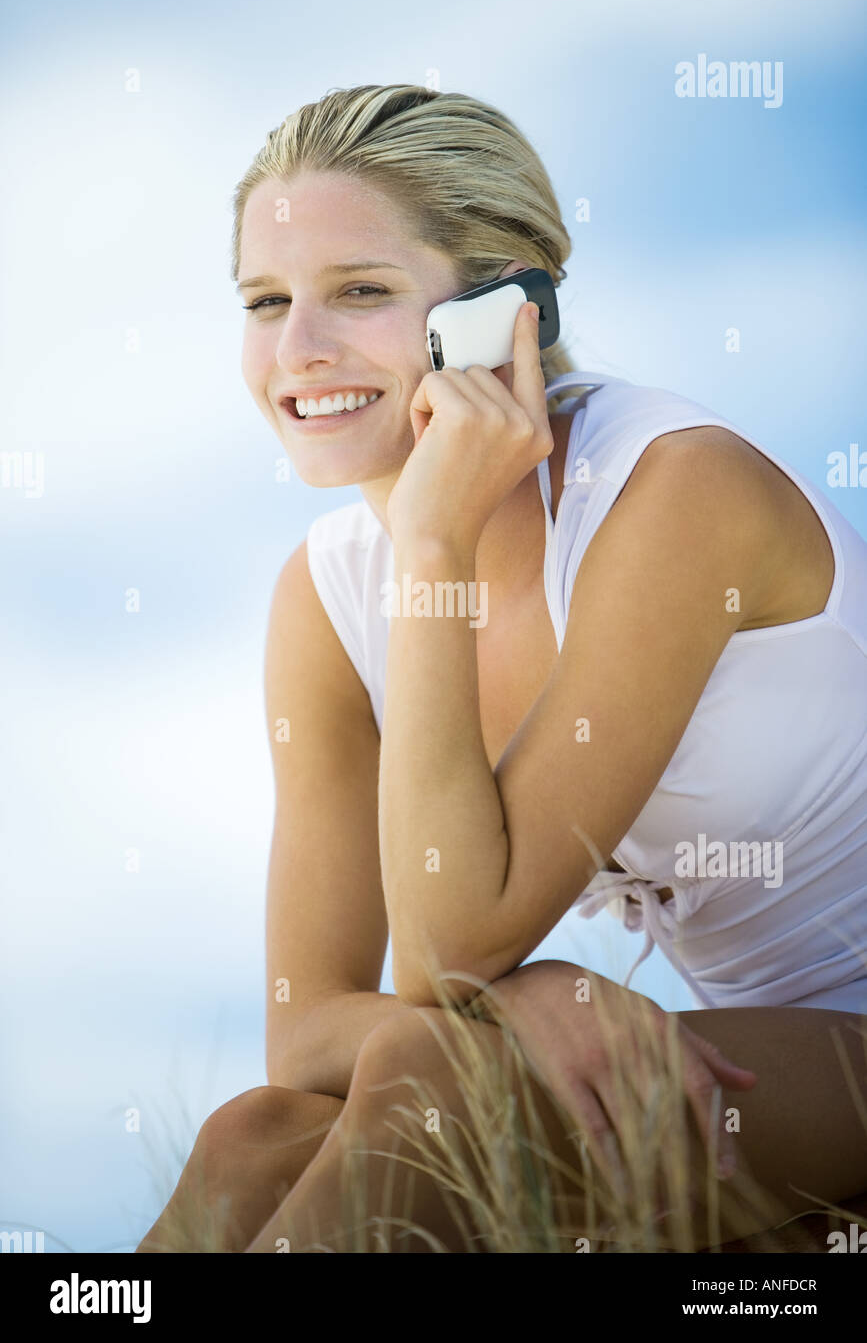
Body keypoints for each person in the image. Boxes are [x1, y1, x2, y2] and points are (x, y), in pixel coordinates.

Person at [137, 84, 867, 1255]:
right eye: (265, 302)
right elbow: (310, 1027)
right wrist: (533, 995)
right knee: (253, 1135)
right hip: (764, 1050)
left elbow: (451, 944)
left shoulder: (676, 495)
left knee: (446, 1084)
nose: (299, 350)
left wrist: (435, 541)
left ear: (508, 310)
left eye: (361, 292)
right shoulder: (324, 596)